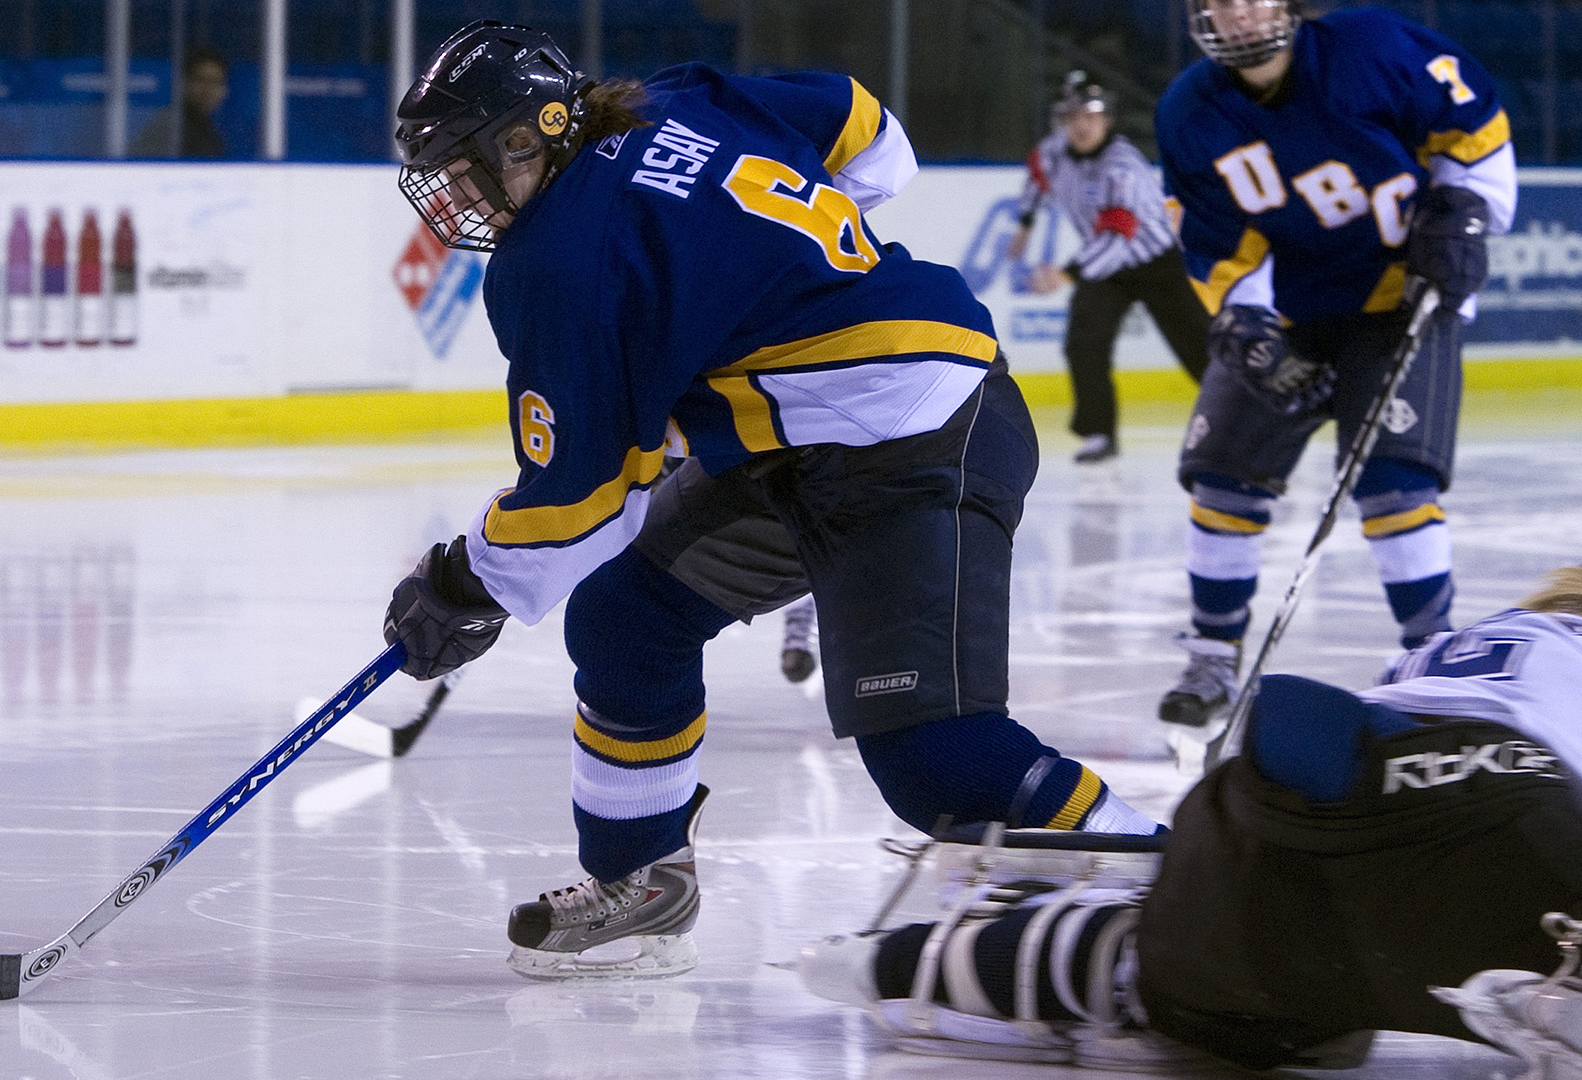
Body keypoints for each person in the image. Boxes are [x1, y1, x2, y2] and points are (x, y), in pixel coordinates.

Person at [381, 21, 1165, 981]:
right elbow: (872, 132)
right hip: (817, 434)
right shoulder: (680, 94)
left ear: (534, 132)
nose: (457, 198)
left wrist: (462, 584)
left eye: (467, 165)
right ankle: (641, 875)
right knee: (629, 615)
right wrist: (768, 286)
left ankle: (1182, 885)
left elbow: (576, 506)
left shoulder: (557, 261)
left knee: (941, 763)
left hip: (916, 435)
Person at [793, 566, 1582, 1072]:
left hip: (1280, 800)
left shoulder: (1463, 647)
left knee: (1204, 973)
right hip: (1511, 803)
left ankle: (895, 961)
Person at [1151, 0, 1516, 732]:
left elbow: (1473, 126)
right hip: (1290, 309)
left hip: (1401, 297)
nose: (1238, 12)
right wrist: (1248, 325)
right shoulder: (1190, 112)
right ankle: (1213, 658)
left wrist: (1466, 211)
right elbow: (1220, 243)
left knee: (1394, 485)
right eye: (1218, 0)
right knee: (1222, 479)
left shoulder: (1370, 47)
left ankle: (1432, 655)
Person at [1006, 71, 1209, 465]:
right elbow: (1036, 176)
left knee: (1198, 346)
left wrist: (1065, 274)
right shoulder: (1052, 152)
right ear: (1061, 121)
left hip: (1156, 262)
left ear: (1107, 120)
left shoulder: (1123, 168)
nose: (1081, 126)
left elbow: (1119, 237)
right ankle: (1099, 433)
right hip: (1104, 265)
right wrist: (1026, 223)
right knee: (1084, 342)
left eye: (1091, 116)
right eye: (1072, 117)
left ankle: (1239, 423)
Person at [131, 46, 229, 158]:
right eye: (200, 80)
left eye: (215, 82)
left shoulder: (209, 132)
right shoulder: (169, 125)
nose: (208, 89)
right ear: (185, 83)